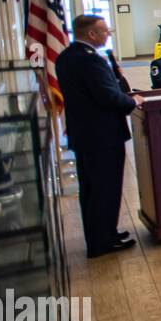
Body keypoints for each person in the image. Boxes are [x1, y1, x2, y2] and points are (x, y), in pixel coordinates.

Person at [55, 15, 144, 258]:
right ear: (91, 34)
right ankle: (103, 241)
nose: (108, 34)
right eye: (105, 31)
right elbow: (108, 97)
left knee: (91, 189)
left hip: (84, 134)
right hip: (102, 136)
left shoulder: (66, 56)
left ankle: (102, 234)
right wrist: (133, 101)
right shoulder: (90, 60)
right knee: (105, 188)